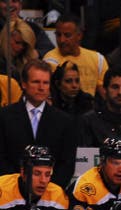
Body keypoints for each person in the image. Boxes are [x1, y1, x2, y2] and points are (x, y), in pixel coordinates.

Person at [0, 59, 76, 188]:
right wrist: (16, 188)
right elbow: (1, 158)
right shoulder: (4, 116)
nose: (41, 88)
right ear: (24, 84)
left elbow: (67, 164)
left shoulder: (64, 121)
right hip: (10, 191)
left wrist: (47, 188)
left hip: (49, 193)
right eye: (36, 82)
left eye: (45, 83)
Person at [43, 13, 108, 98]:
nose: (62, 40)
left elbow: (104, 93)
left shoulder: (98, 59)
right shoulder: (50, 60)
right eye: (58, 35)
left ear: (79, 35)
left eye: (67, 35)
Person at [0, 144, 68, 210]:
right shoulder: (2, 189)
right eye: (37, 173)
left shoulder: (57, 195)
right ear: (22, 172)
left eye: (47, 174)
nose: (43, 180)